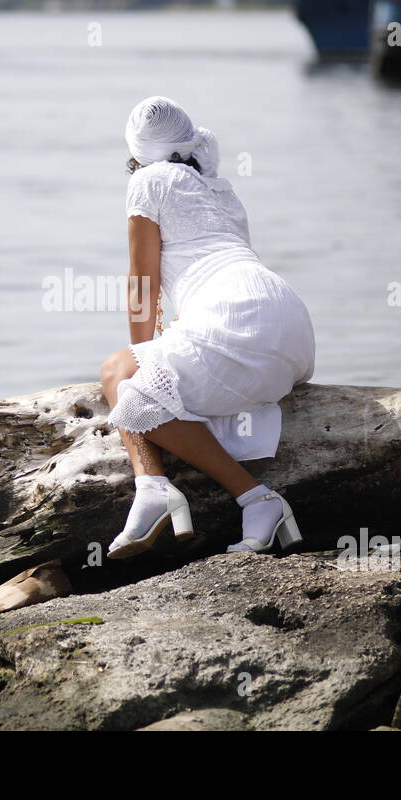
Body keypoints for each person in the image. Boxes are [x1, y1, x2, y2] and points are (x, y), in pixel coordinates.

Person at [102, 96, 316, 558]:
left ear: (136, 151)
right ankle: (249, 503)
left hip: (239, 315)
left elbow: (143, 282)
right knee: (133, 375)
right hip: (289, 320)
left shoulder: (146, 181)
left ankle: (168, 489)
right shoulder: (218, 186)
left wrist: (142, 361)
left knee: (123, 382)